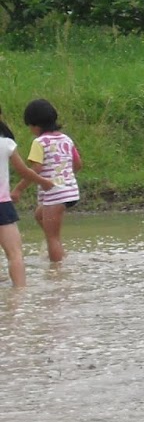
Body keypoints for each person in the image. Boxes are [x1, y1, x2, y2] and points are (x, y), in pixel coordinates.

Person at [0, 104, 55, 285]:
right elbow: (24, 171)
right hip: (2, 206)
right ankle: (19, 299)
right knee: (15, 254)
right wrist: (44, 182)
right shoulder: (6, 143)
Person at [20, 98, 79, 263]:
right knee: (39, 215)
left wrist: (18, 189)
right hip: (71, 192)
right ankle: (58, 250)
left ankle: (57, 272)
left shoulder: (39, 143)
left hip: (55, 195)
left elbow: (35, 170)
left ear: (35, 125)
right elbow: (78, 164)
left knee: (52, 238)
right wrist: (65, 175)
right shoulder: (66, 139)